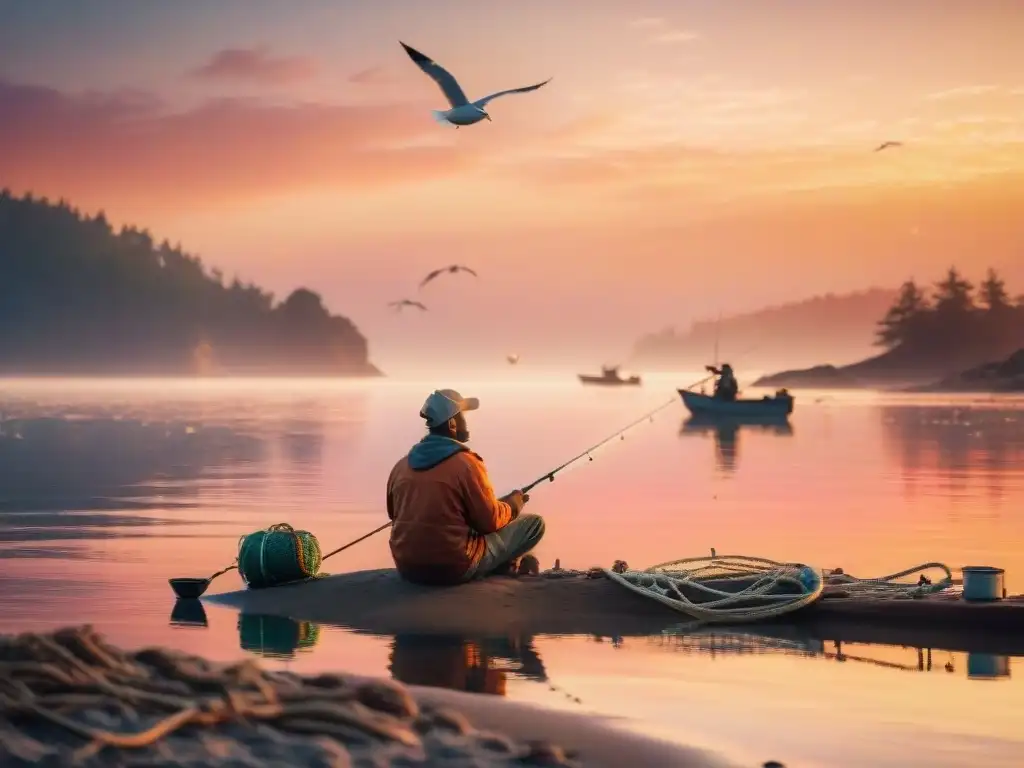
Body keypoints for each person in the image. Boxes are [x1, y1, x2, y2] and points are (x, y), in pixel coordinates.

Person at [385, 388, 545, 585]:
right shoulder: (467, 464)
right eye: (463, 417)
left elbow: (394, 515)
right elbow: (490, 522)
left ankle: (502, 565)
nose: (466, 422)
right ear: (452, 423)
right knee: (534, 524)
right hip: (453, 567)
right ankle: (501, 568)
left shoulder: (401, 466)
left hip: (407, 568)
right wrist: (513, 505)